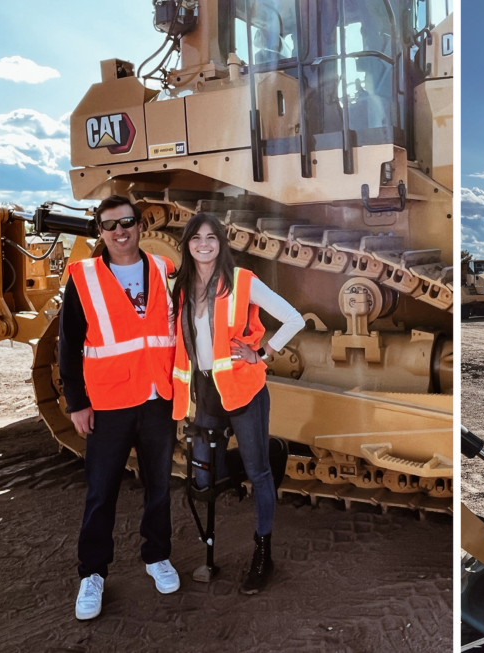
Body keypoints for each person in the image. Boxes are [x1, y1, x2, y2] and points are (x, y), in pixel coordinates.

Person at [59, 195, 181, 620]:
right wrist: (76, 402)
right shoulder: (84, 277)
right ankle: (92, 573)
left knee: (159, 486)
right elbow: (70, 344)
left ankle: (157, 556)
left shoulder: (164, 270)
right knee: (101, 491)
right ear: (100, 231)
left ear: (140, 225)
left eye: (127, 221)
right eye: (110, 225)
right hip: (109, 403)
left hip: (157, 400)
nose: (120, 230)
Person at [169, 213, 305, 594]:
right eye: (196, 238)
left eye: (212, 237)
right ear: (188, 244)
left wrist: (261, 353)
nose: (204, 244)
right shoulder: (181, 287)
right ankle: (266, 452)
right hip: (207, 392)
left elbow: (294, 319)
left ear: (221, 243)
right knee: (201, 477)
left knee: (258, 473)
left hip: (244, 390)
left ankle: (264, 554)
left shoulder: (242, 281)